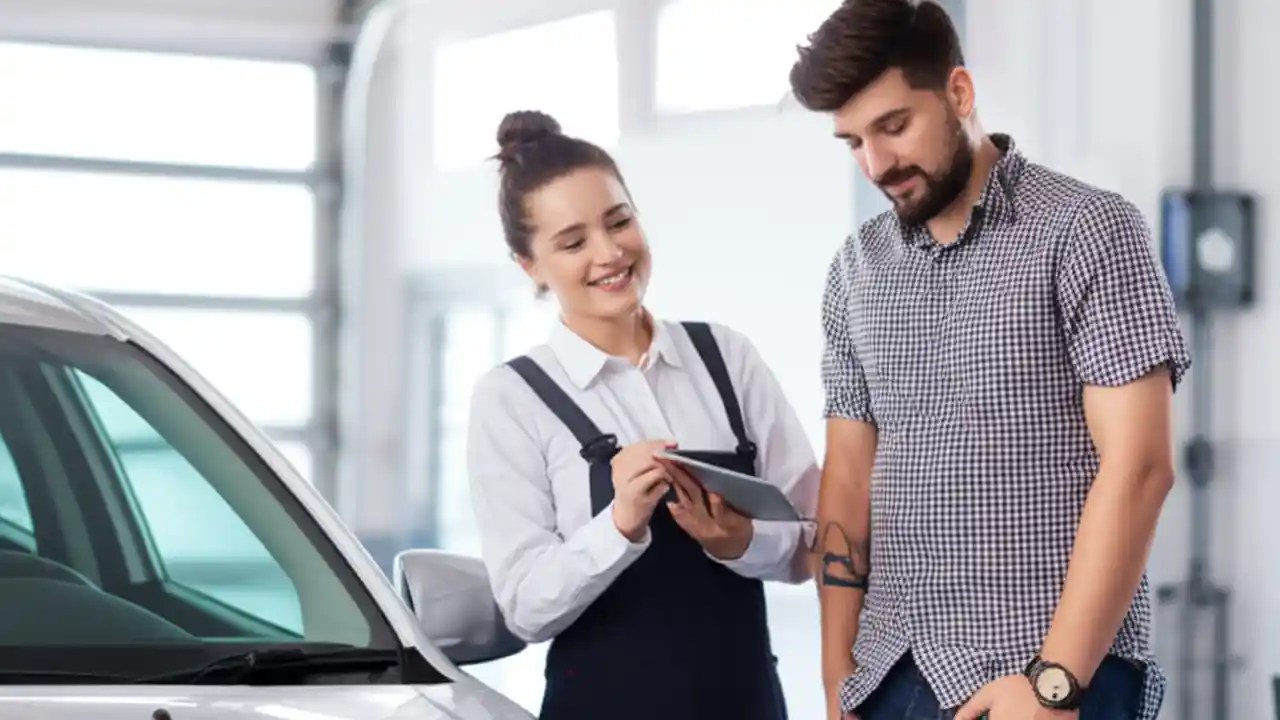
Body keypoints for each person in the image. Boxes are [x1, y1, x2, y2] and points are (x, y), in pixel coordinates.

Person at [786, 2, 1192, 719]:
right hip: (887, 674)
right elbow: (848, 475)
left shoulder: (1089, 230)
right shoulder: (855, 269)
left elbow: (1141, 465)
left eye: (894, 126)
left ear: (959, 93)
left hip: (1046, 674)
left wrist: (1054, 684)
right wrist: (834, 677)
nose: (877, 165)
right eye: (852, 142)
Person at [465, 109, 820, 720]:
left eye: (619, 221)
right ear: (531, 266)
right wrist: (620, 524)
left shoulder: (726, 358)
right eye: (573, 242)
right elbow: (524, 608)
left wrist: (740, 542)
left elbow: (815, 538)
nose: (609, 253)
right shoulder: (511, 398)